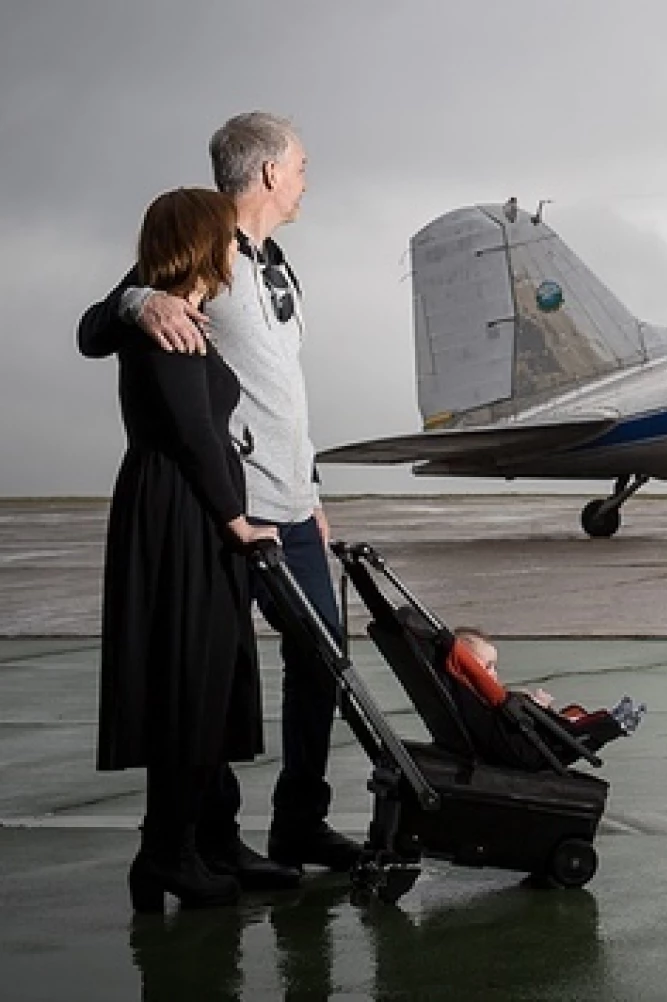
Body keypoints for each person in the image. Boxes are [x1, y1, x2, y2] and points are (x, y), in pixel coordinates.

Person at [77, 112, 361, 873]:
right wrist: (138, 302)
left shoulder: (277, 264)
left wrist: (311, 486)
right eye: (301, 166)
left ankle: (299, 821)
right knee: (215, 673)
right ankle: (215, 836)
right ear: (268, 171)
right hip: (229, 505)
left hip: (291, 503)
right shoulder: (202, 248)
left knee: (323, 660)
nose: (306, 181)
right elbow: (94, 329)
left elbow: (282, 388)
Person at [93, 188, 287, 912]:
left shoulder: (183, 316)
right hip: (181, 513)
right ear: (206, 242)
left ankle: (198, 843)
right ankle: (167, 854)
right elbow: (194, 434)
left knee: (205, 680)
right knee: (187, 681)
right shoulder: (167, 323)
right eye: (227, 237)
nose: (237, 248)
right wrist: (237, 522)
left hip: (185, 508)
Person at [450, 628, 641, 754]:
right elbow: (505, 714)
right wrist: (531, 704)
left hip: (517, 733)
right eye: (487, 667)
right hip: (525, 742)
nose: (494, 673)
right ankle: (610, 723)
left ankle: (605, 720)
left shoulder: (467, 697)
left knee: (563, 719)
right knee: (566, 730)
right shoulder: (479, 696)